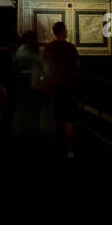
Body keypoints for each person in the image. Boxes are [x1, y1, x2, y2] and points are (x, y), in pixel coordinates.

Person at [42, 21, 79, 158]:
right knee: (69, 121)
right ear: (62, 31)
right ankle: (70, 151)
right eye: (66, 29)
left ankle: (54, 149)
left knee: (54, 120)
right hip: (68, 87)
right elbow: (77, 64)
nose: (67, 31)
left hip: (53, 88)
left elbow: (44, 67)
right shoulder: (70, 47)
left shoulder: (48, 48)